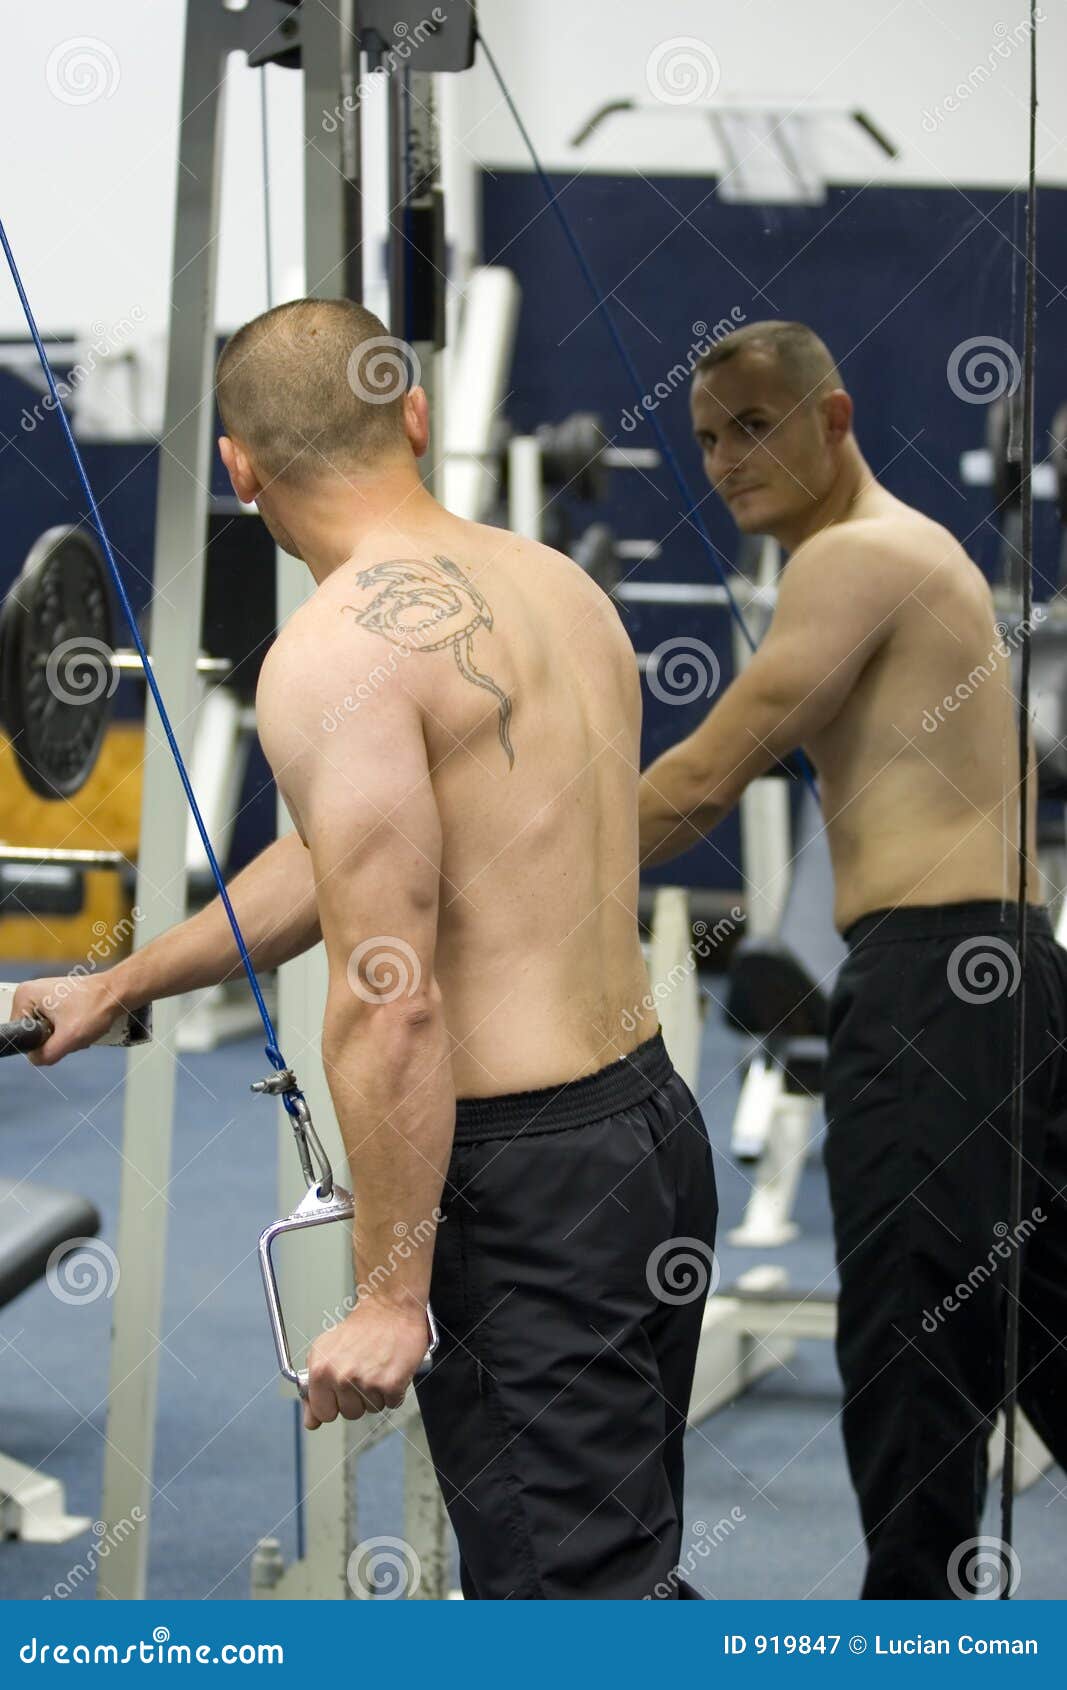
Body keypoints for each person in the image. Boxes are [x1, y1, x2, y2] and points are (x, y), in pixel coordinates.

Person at [14, 297, 716, 1600]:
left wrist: (393, 1289)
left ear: (239, 468)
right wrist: (123, 978)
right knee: (619, 1556)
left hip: (523, 1184)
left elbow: (386, 997)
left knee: (574, 1607)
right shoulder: (561, 589)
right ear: (412, 411)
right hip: (646, 1128)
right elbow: (347, 861)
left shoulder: (331, 652)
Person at [637, 319, 1067, 1599]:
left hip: (938, 980)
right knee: (1033, 1325)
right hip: (1003, 974)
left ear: (831, 420)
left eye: (755, 425)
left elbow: (706, 776)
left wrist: (501, 865)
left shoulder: (855, 556)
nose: (724, 457)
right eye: (706, 435)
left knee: (909, 1341)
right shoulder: (902, 553)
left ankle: (908, 1633)